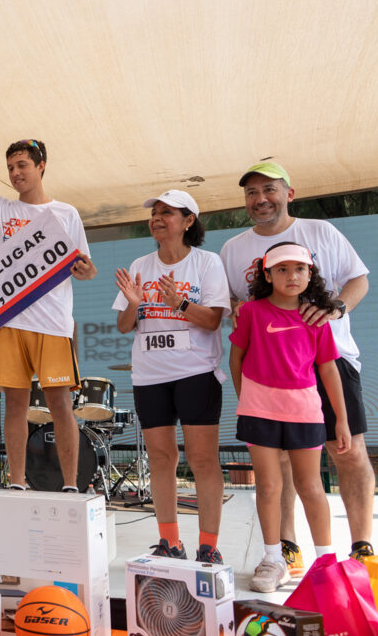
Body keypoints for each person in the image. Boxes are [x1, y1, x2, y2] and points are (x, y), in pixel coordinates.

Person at [219, 162, 375, 567]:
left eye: (269, 189)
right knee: (280, 461)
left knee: (349, 451)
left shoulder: (320, 232)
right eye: (251, 193)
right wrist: (240, 308)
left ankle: (361, 547)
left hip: (329, 359)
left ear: (289, 193)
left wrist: (336, 310)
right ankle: (285, 546)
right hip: (270, 375)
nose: (260, 199)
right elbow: (234, 305)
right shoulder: (233, 248)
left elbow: (359, 280)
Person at [0, 104, 96, 490]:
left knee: (60, 405)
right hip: (9, 321)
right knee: (16, 406)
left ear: (41, 166)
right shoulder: (0, 208)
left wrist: (84, 270)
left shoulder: (66, 213)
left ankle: (70, 483)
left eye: (23, 165)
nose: (15, 173)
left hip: (54, 323)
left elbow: (87, 266)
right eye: (11, 167)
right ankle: (16, 481)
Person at [113, 190, 230, 562]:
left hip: (196, 372)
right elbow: (123, 326)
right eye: (154, 213)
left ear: (188, 221)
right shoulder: (140, 264)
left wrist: (178, 302)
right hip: (149, 376)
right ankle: (169, 543)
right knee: (161, 457)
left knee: (202, 459)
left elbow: (213, 320)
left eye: (167, 213)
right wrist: (134, 305)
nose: (157, 218)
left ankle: (208, 547)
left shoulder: (207, 263)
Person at [229, 242, 351, 592]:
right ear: (267, 275)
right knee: (267, 486)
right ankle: (273, 560)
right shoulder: (251, 311)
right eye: (281, 269)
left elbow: (328, 369)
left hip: (305, 412)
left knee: (311, 487)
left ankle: (325, 563)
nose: (291, 275)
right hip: (259, 413)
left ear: (310, 274)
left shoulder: (316, 317)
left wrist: (340, 420)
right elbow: (236, 358)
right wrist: (248, 399)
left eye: (299, 269)